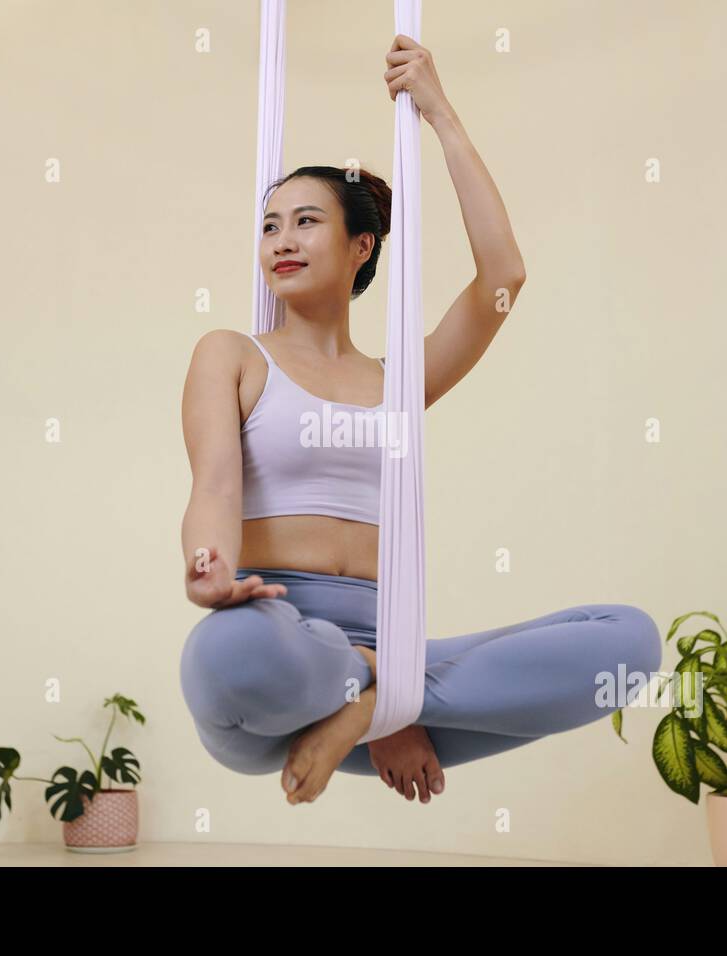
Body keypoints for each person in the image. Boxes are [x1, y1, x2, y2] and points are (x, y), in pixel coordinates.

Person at [179, 35, 660, 806]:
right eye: (269, 226)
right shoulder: (231, 354)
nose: (281, 241)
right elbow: (214, 486)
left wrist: (439, 113)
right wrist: (208, 566)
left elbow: (503, 275)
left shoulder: (398, 381)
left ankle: (373, 700)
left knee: (629, 643)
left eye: (305, 221)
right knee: (225, 655)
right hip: (279, 660)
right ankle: (377, 691)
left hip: (391, 657)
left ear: (361, 244)